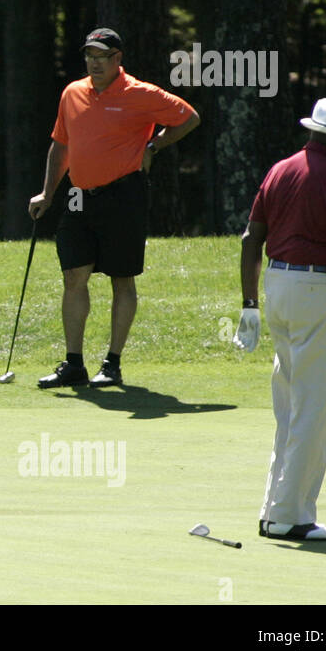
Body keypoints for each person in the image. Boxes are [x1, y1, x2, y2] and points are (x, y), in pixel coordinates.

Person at [28, 28, 200, 388]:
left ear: (117, 59)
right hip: (78, 195)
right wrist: (47, 194)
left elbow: (188, 117)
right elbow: (61, 146)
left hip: (125, 194)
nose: (94, 62)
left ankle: (113, 362)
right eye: (89, 55)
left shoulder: (141, 93)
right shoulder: (72, 92)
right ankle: (74, 363)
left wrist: (153, 147)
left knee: (122, 279)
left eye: (101, 56)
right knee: (74, 276)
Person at [234, 97, 326, 541]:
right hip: (319, 290)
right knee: (314, 408)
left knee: (291, 405)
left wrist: (249, 303)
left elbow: (251, 240)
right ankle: (290, 516)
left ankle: (274, 507)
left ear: (313, 132)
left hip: (277, 287)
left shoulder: (280, 170)